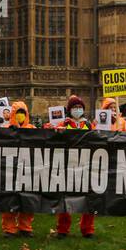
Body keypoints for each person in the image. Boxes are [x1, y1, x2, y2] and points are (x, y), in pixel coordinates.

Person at [54, 95, 96, 239]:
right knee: (66, 198)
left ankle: (88, 229)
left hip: (85, 165)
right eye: (74, 107)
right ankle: (63, 229)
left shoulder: (89, 125)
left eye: (80, 108)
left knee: (89, 198)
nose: (77, 110)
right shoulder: (63, 124)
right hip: (68, 165)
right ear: (69, 110)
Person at [1, 101, 36, 238]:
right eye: (18, 113)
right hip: (10, 169)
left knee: (27, 199)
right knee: (9, 198)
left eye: (23, 113)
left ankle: (25, 227)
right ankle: (9, 228)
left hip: (27, 169)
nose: (20, 115)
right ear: (13, 114)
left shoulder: (32, 128)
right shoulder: (6, 129)